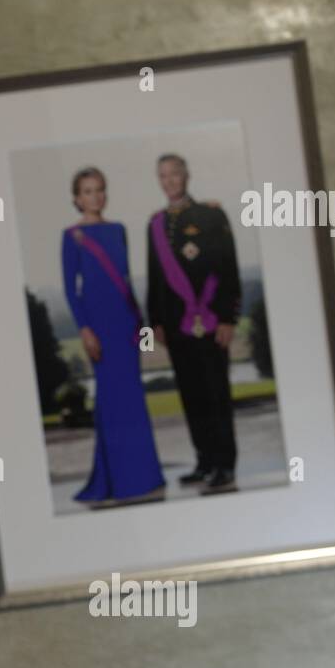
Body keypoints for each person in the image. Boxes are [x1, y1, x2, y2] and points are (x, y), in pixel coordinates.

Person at [61, 167, 165, 506]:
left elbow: (126, 281)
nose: (96, 196)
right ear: (77, 198)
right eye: (88, 191)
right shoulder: (72, 236)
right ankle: (116, 479)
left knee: (133, 400)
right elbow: (70, 290)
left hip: (126, 325)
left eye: (100, 189)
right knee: (111, 401)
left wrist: (143, 329)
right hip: (99, 329)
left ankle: (144, 477)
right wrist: (85, 329)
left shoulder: (118, 230)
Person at [145, 153, 242, 495]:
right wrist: (155, 322)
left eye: (174, 174)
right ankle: (204, 462)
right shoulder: (155, 224)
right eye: (163, 176)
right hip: (176, 325)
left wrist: (230, 317)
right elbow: (155, 278)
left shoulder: (211, 215)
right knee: (192, 396)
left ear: (187, 175)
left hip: (213, 320)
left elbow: (228, 266)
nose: (170, 181)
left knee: (216, 394)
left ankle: (225, 465)